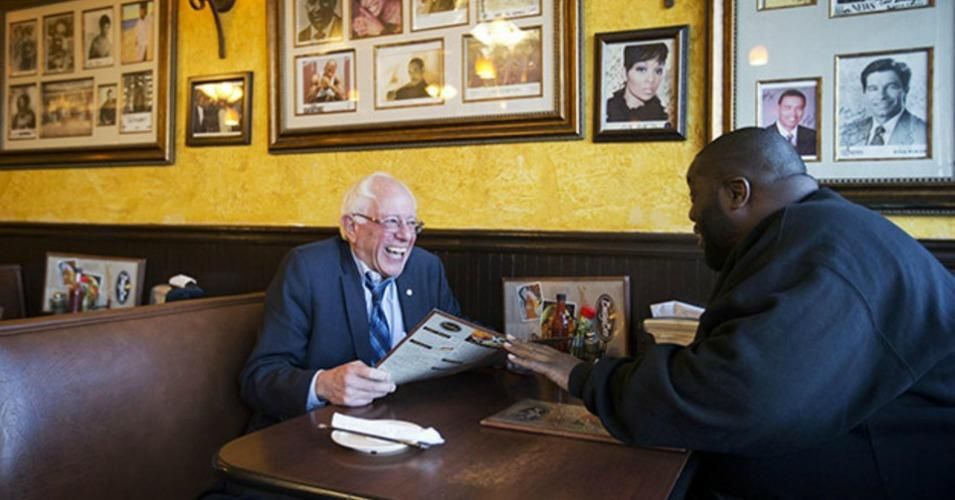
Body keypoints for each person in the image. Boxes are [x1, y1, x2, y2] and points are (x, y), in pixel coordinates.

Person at [505, 127, 955, 498]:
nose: (691, 213)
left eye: (695, 195)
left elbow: (737, 396)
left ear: (737, 192)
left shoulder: (818, 246)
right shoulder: (816, 230)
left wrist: (586, 376)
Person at [240, 173, 461, 430]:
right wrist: (323, 384)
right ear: (351, 227)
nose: (405, 235)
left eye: (412, 223)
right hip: (319, 433)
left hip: (406, 426)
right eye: (391, 222)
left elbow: (455, 342)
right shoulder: (308, 269)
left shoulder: (426, 268)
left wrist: (510, 351)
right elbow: (259, 377)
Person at [842, 58, 927, 147]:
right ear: (865, 92)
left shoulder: (922, 132)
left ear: (905, 90)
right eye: (873, 89)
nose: (881, 96)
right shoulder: (849, 133)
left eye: (891, 87)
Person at [605, 43, 670, 125]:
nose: (651, 79)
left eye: (658, 71)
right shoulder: (605, 112)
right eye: (641, 69)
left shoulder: (664, 120)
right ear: (624, 73)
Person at [765, 89, 816, 156]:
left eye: (799, 108)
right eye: (788, 108)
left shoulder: (813, 136)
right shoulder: (764, 137)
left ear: (803, 110)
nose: (793, 114)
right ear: (778, 108)